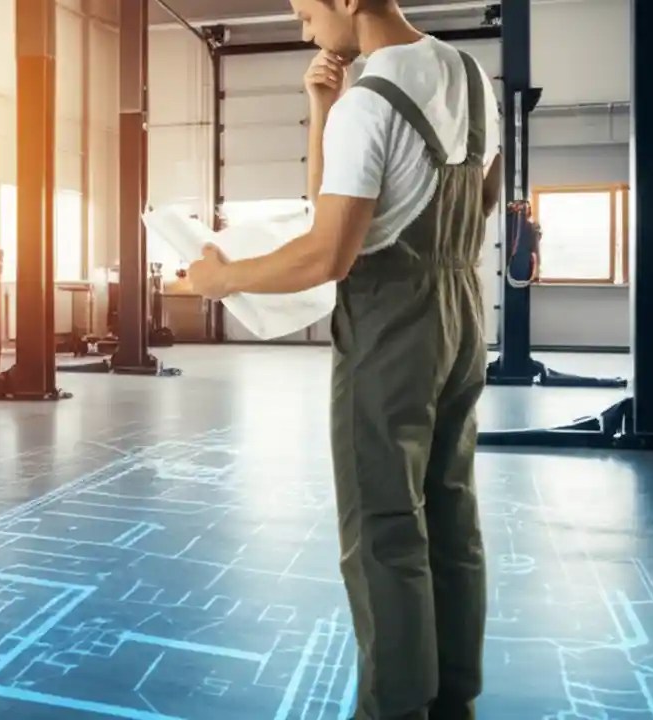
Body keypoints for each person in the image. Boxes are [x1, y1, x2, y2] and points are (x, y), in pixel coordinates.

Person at [187, 1, 503, 718]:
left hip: (393, 325)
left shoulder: (371, 104)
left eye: (304, 11)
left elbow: (329, 250)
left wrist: (222, 278)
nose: (303, 28)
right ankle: (454, 697)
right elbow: (478, 202)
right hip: (460, 310)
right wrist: (321, 105)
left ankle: (393, 708)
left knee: (383, 525)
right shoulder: (471, 76)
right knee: (451, 513)